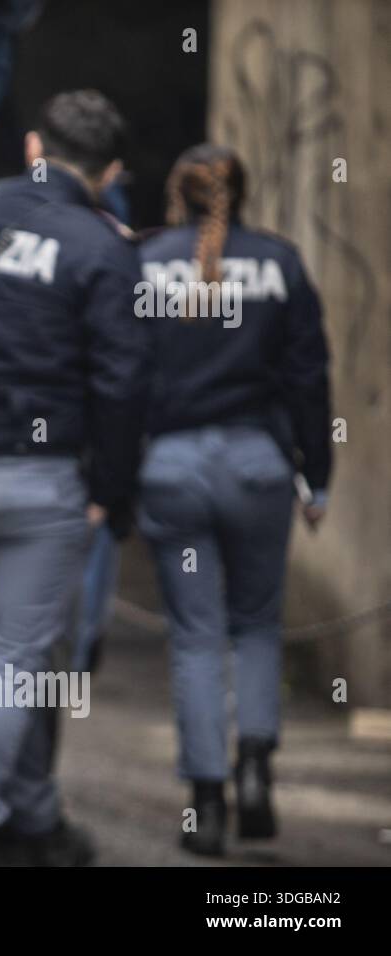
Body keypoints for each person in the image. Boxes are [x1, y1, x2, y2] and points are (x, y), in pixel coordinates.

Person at [0, 90, 153, 866]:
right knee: (17, 663)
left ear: (32, 148)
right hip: (40, 483)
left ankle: (35, 815)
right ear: (110, 170)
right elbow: (123, 387)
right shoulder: (103, 249)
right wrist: (109, 496)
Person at [137, 144, 332, 857]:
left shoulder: (147, 262)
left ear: (178, 196)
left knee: (195, 636)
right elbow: (311, 375)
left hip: (173, 467)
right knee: (255, 625)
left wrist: (119, 476)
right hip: (258, 466)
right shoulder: (280, 264)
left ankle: (207, 804)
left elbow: (123, 372)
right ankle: (255, 769)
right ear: (242, 196)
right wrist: (320, 475)